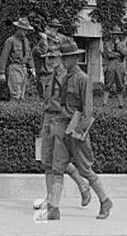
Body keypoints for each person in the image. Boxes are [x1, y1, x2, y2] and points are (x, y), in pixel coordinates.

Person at [46, 40, 114, 220]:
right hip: (62, 127)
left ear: (75, 59)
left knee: (85, 169)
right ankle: (54, 207)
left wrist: (80, 131)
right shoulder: (65, 78)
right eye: (63, 58)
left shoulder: (83, 79)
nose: (64, 61)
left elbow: (88, 108)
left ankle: (105, 200)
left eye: (67, 58)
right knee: (57, 167)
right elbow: (61, 103)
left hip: (76, 129)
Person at [0, 18, 33, 101]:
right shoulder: (10, 40)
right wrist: (2, 72)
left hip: (24, 68)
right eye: (23, 29)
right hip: (14, 67)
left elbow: (29, 55)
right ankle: (12, 111)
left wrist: (32, 67)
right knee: (15, 94)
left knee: (22, 95)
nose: (25, 32)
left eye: (26, 30)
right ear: (18, 29)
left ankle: (20, 112)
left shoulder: (26, 41)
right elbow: (4, 56)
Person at [102, 29, 127, 108]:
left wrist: (119, 48)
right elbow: (108, 54)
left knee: (120, 84)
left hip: (119, 65)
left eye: (117, 34)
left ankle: (120, 104)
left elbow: (125, 54)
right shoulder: (107, 43)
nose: (115, 36)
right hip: (110, 64)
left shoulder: (122, 44)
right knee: (108, 83)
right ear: (112, 35)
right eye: (114, 34)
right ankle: (104, 103)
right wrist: (118, 54)